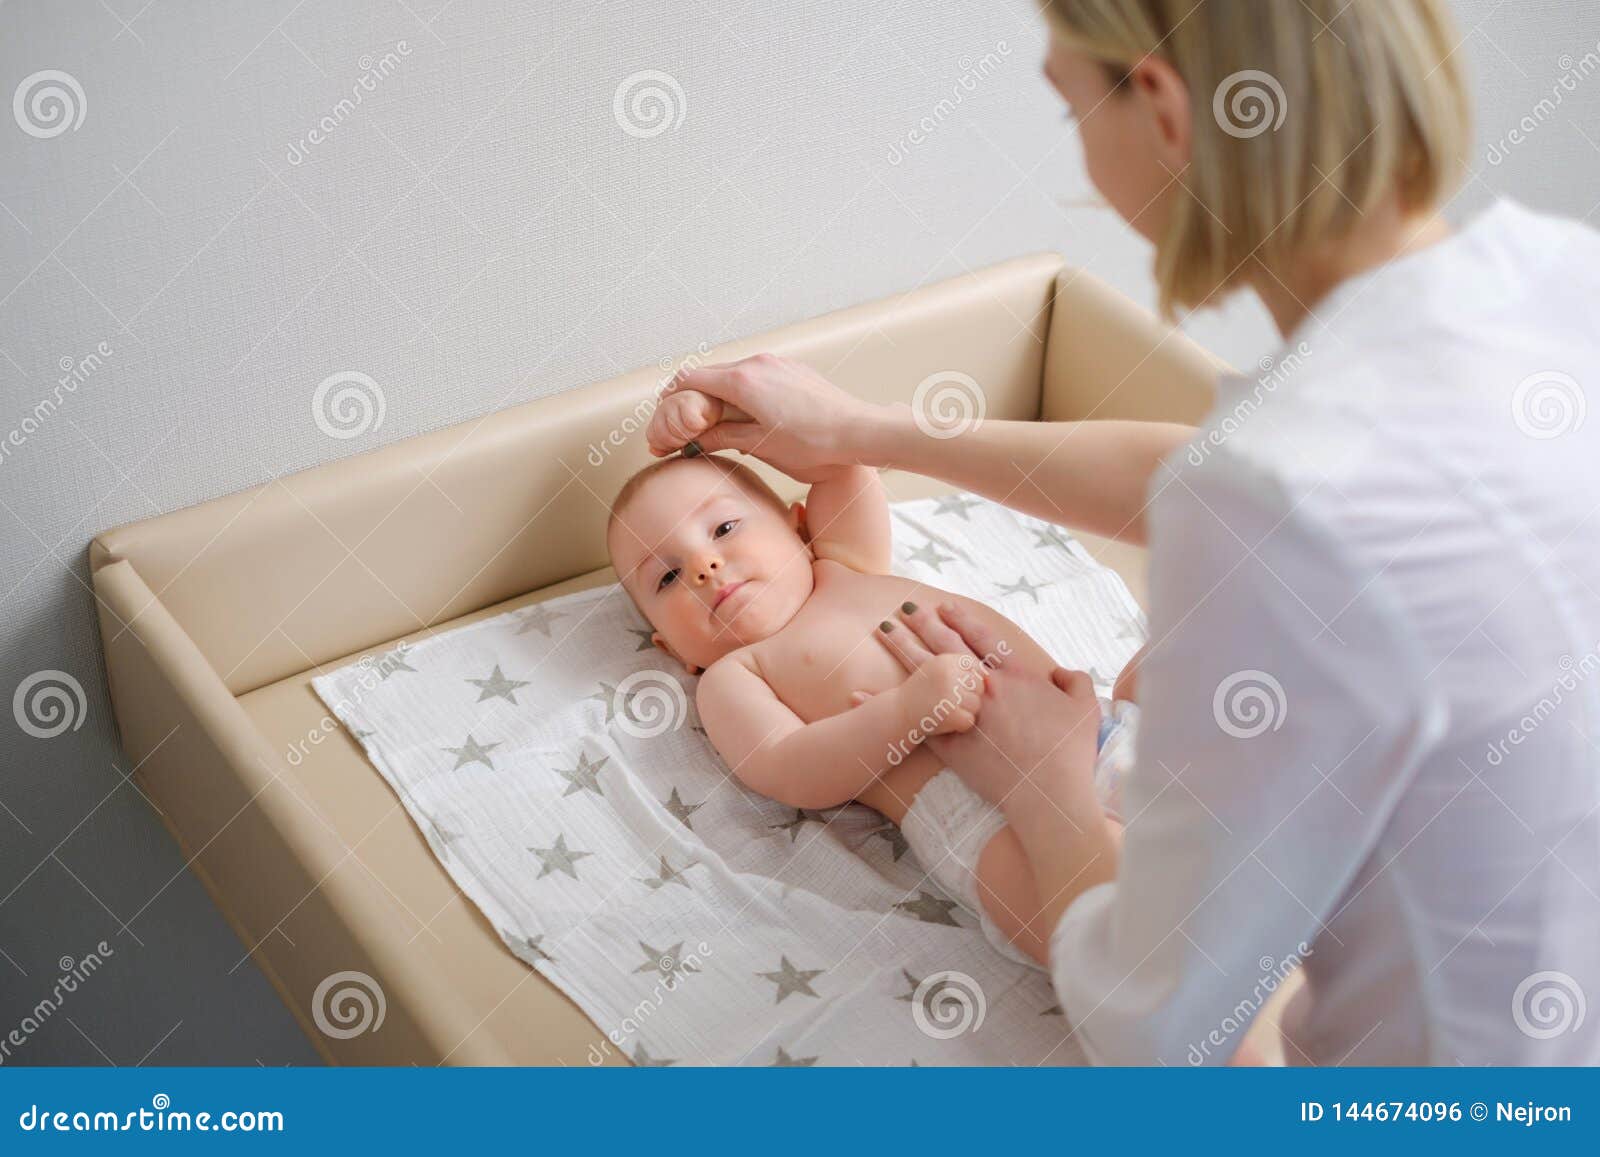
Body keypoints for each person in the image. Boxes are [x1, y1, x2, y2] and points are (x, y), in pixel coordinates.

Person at [643, 0, 1600, 1065]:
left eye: (1069, 111)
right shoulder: (1566, 281)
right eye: (664, 576)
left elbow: (1161, 1027)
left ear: (1161, 106)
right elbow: (1196, 472)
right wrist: (864, 428)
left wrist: (1040, 777)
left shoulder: (1278, 496)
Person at [604, 433, 1140, 969]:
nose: (705, 565)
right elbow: (789, 767)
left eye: (724, 528)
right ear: (671, 648)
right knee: (1106, 930)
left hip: (1095, 729)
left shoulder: (845, 563)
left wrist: (744, 426)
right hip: (985, 818)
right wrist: (909, 710)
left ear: (797, 527)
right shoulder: (732, 676)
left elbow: (840, 459)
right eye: (668, 576)